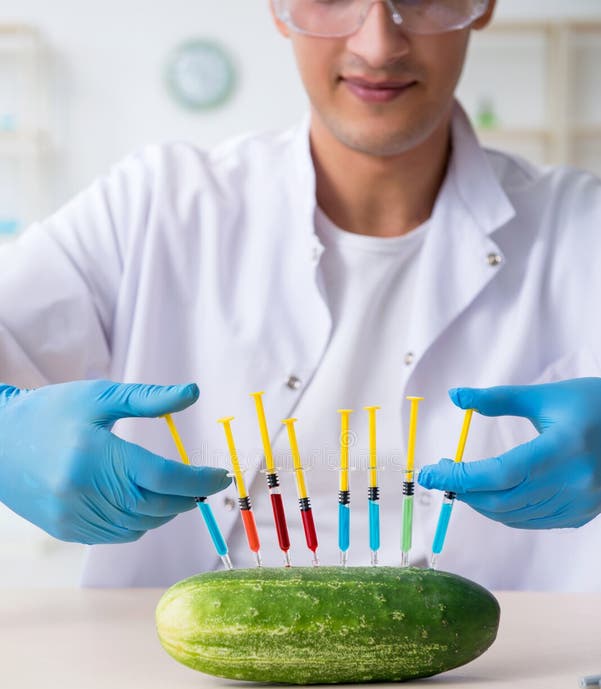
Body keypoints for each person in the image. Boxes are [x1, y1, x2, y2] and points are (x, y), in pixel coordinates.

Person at [1, 0, 600, 590]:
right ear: (278, 7)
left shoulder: (583, 228)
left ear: (482, 5)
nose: (378, 45)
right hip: (171, 675)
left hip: (505, 677)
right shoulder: (154, 205)